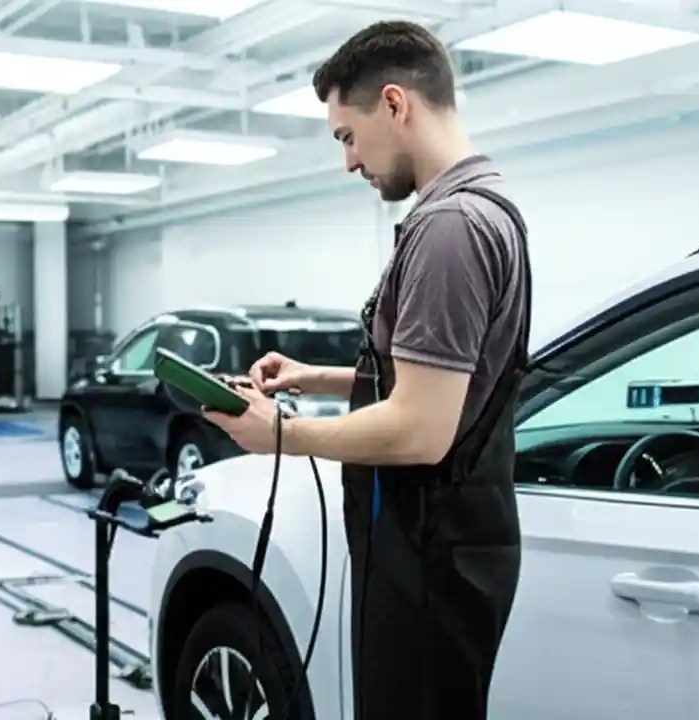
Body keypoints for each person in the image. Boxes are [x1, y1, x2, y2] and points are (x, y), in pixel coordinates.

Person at [204, 19, 533, 720]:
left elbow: (420, 429)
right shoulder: (479, 212)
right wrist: (315, 377)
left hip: (429, 554)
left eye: (346, 136)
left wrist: (281, 435)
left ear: (394, 104)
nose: (349, 161)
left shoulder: (452, 229)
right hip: (437, 547)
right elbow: (443, 385)